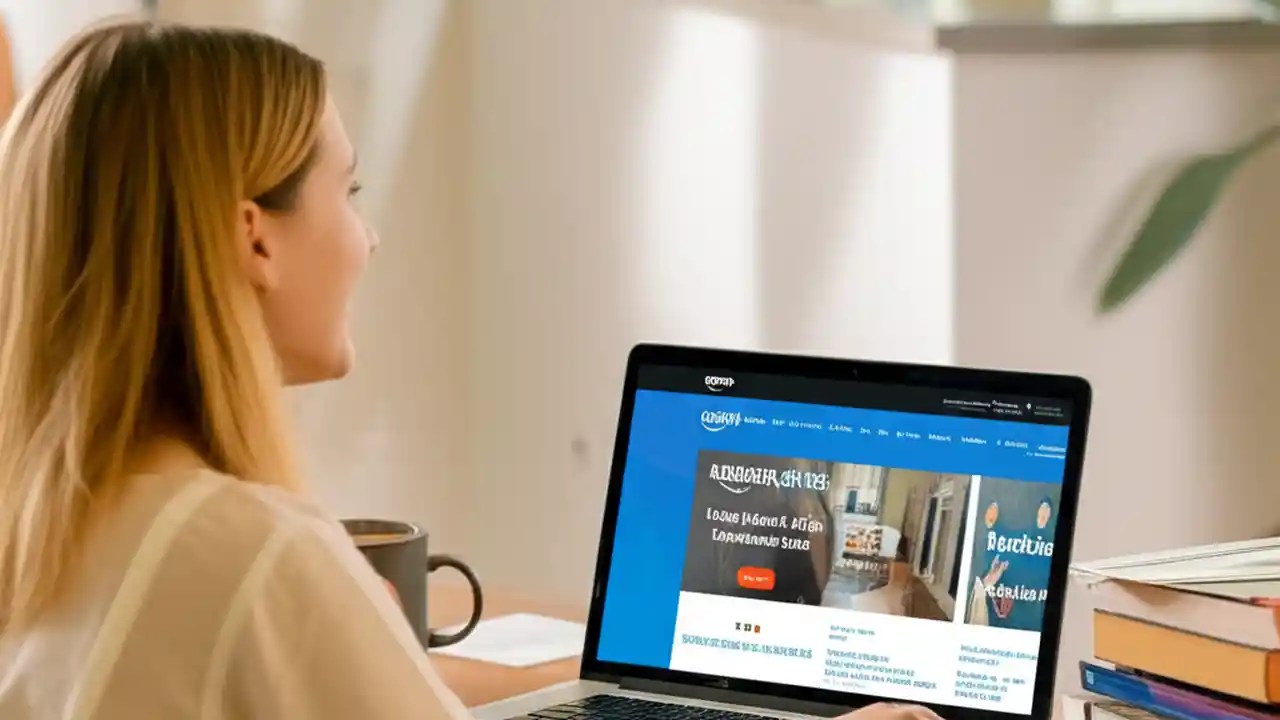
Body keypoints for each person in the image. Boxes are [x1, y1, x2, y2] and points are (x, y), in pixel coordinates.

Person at [0, 20, 943, 720]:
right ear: (255, 238)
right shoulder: (255, 552)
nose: (369, 237)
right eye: (349, 190)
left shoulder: (60, 525)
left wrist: (573, 681)